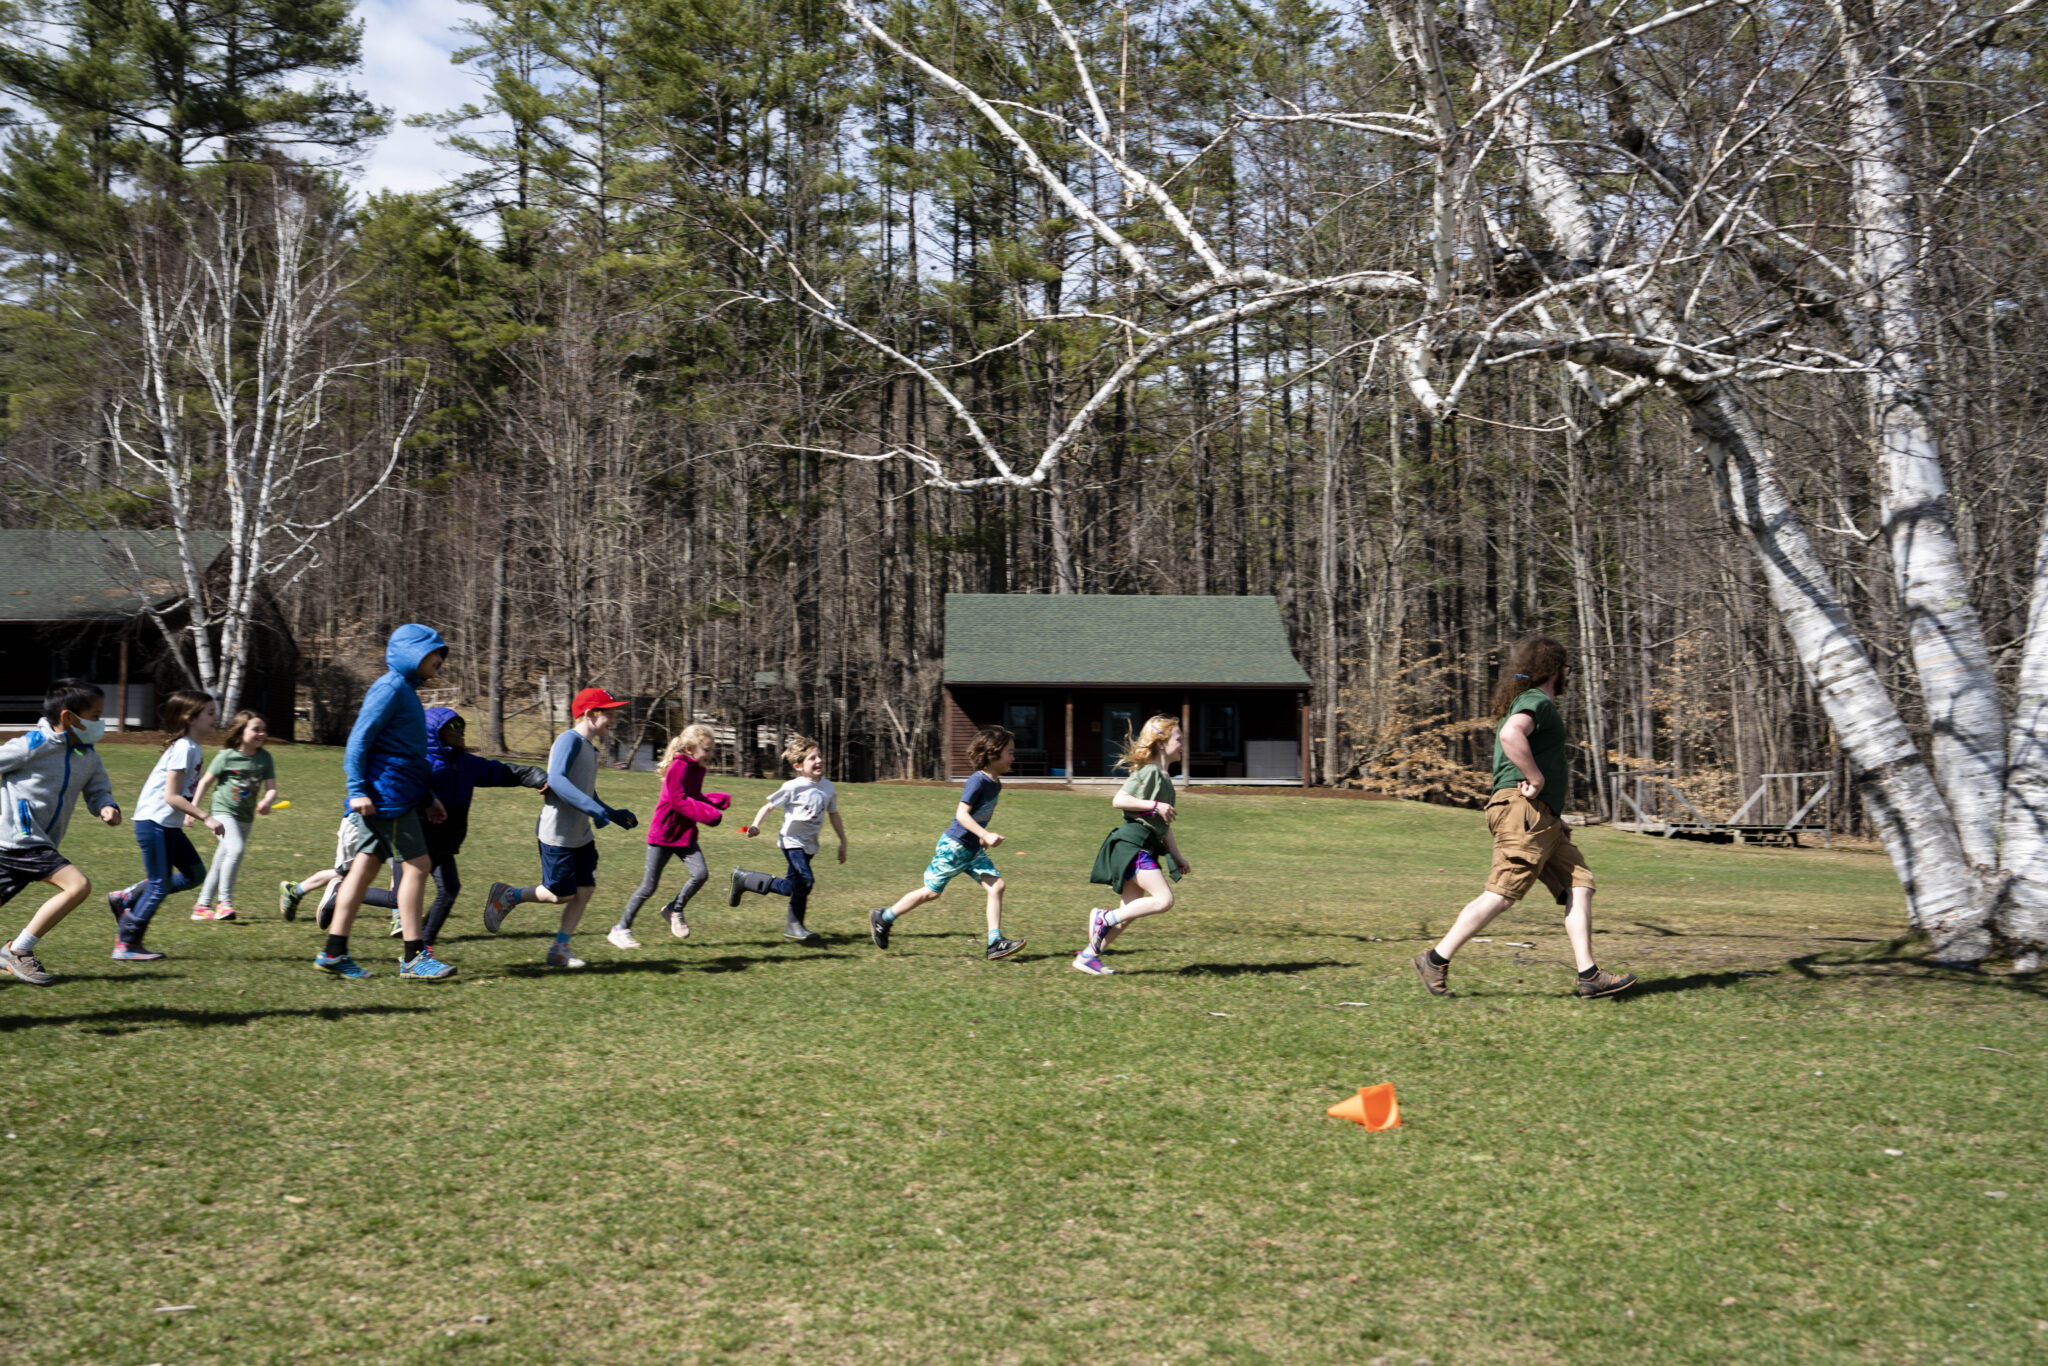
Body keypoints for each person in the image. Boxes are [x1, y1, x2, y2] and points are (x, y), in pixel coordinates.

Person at [1412, 634, 1636, 1000]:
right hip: (1523, 812)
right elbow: (1511, 736)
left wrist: (1552, 814)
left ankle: (1589, 975)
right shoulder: (1536, 701)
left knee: (1578, 884)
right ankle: (1435, 959)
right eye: (1567, 669)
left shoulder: (1528, 700)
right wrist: (1535, 779)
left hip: (1539, 817)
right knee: (1502, 894)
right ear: (1558, 670)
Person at [314, 623, 458, 982]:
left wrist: (427, 797)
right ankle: (414, 956)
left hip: (398, 796)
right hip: (387, 798)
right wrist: (357, 789)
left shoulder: (406, 690)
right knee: (418, 866)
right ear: (412, 653)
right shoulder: (390, 688)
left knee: (362, 873)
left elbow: (411, 754)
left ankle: (334, 952)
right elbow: (358, 741)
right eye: (434, 651)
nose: (440, 658)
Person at [480, 688, 638, 968]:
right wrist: (594, 811)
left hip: (580, 834)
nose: (613, 719)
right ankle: (509, 895)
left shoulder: (590, 748)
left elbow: (585, 790)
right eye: (609, 713)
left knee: (585, 889)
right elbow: (558, 781)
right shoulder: (569, 740)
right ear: (590, 714)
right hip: (558, 834)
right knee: (560, 894)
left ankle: (559, 948)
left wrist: (611, 813)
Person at [0, 680, 122, 985]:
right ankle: (17, 951)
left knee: (77, 887)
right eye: (94, 716)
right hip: (20, 841)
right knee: (78, 886)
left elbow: (98, 789)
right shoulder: (31, 746)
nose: (100, 723)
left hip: (35, 845)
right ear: (69, 717)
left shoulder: (88, 756)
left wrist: (106, 805)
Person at [869, 724, 1023, 960]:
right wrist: (985, 835)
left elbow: (981, 815)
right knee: (931, 893)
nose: (1013, 756)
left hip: (971, 849)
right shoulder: (977, 781)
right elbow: (962, 815)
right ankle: (884, 917)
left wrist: (982, 837)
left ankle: (995, 942)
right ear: (992, 754)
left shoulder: (996, 783)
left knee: (997, 885)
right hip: (954, 846)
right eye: (1010, 752)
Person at [1074, 713, 1194, 977]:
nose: (1184, 744)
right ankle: (1102, 919)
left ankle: (1087, 957)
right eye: (1179, 739)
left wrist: (1178, 856)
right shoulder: (1150, 772)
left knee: (1127, 915)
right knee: (1164, 900)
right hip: (1132, 845)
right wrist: (1154, 804)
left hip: (1145, 846)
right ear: (1162, 743)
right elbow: (1119, 799)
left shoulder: (1164, 778)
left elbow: (1163, 826)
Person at [105, 690, 221, 961]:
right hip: (154, 822)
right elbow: (171, 796)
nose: (217, 718)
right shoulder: (183, 748)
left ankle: (127, 897)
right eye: (211, 713)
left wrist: (187, 813)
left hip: (167, 823)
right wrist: (205, 816)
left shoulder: (192, 747)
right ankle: (127, 943)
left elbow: (180, 794)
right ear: (190, 718)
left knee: (194, 875)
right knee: (159, 884)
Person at [609, 723, 729, 949]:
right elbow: (679, 801)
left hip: (685, 835)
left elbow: (693, 796)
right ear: (690, 749)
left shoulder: (697, 769)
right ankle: (621, 929)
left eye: (712, 749)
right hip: (663, 835)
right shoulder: (678, 767)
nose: (710, 754)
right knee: (648, 887)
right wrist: (709, 814)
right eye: (707, 749)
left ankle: (675, 908)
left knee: (701, 874)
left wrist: (714, 800)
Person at [729, 734, 844, 944]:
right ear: (798, 765)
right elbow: (769, 806)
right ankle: (794, 927)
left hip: (810, 845)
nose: (818, 761)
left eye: (819, 756)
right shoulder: (793, 787)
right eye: (812, 758)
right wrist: (755, 825)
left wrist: (842, 842)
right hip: (792, 842)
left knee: (792, 886)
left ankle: (746, 879)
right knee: (805, 880)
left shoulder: (827, 787)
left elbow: (834, 814)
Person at [189, 709, 280, 921]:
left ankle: (202, 906)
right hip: (222, 812)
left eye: (264, 730)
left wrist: (267, 801)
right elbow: (205, 782)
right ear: (240, 732)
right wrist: (193, 810)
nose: (261, 734)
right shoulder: (226, 756)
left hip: (246, 817)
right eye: (255, 729)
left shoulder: (264, 758)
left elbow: (272, 788)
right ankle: (224, 902)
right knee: (236, 850)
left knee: (222, 859)